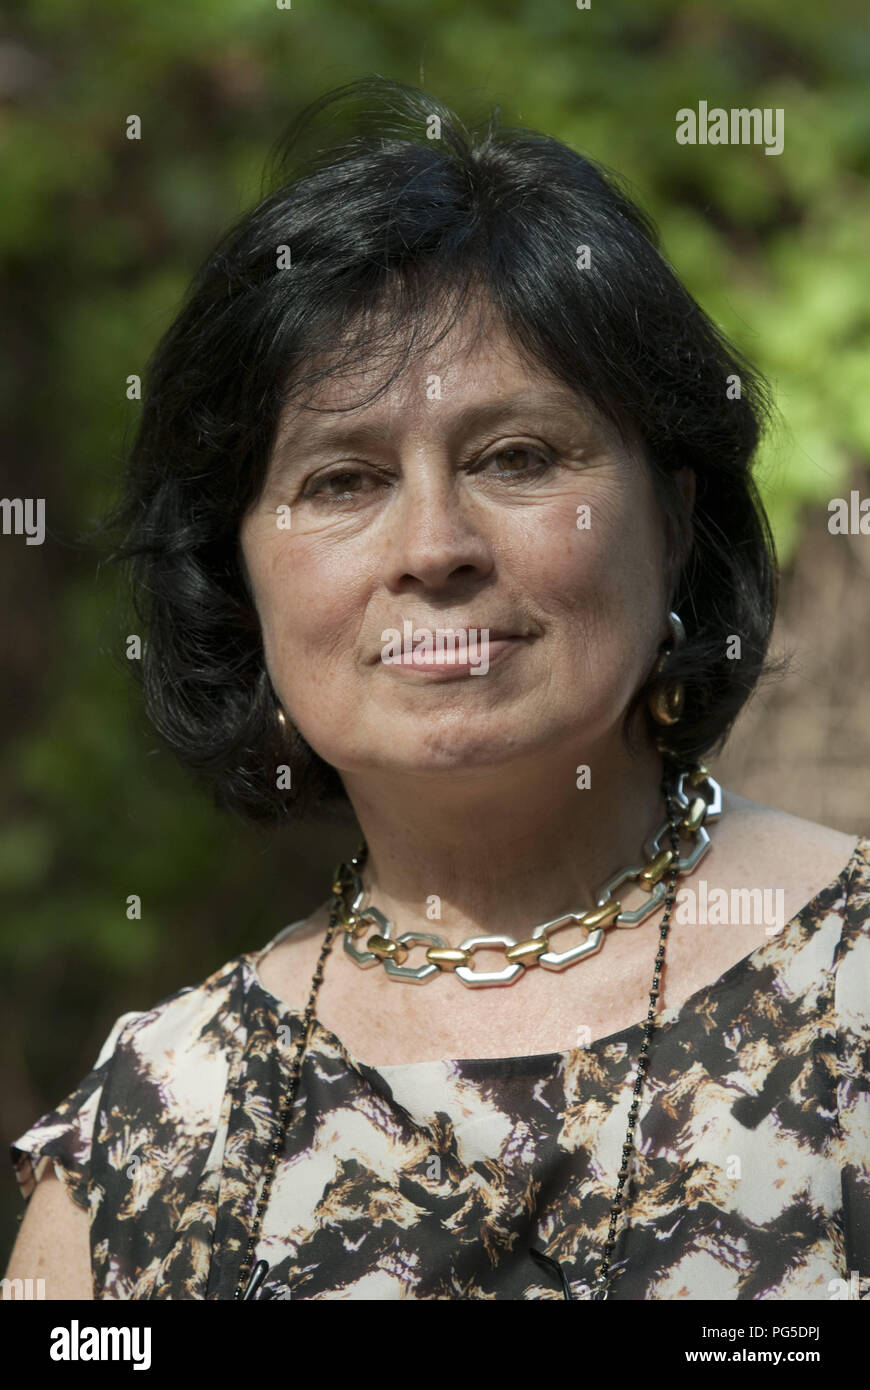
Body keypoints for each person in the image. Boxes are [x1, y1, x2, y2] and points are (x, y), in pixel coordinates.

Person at [6, 76, 868, 1302]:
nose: (433, 545)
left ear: (672, 522)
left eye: (517, 458)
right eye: (344, 481)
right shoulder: (154, 1137)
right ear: (238, 573)